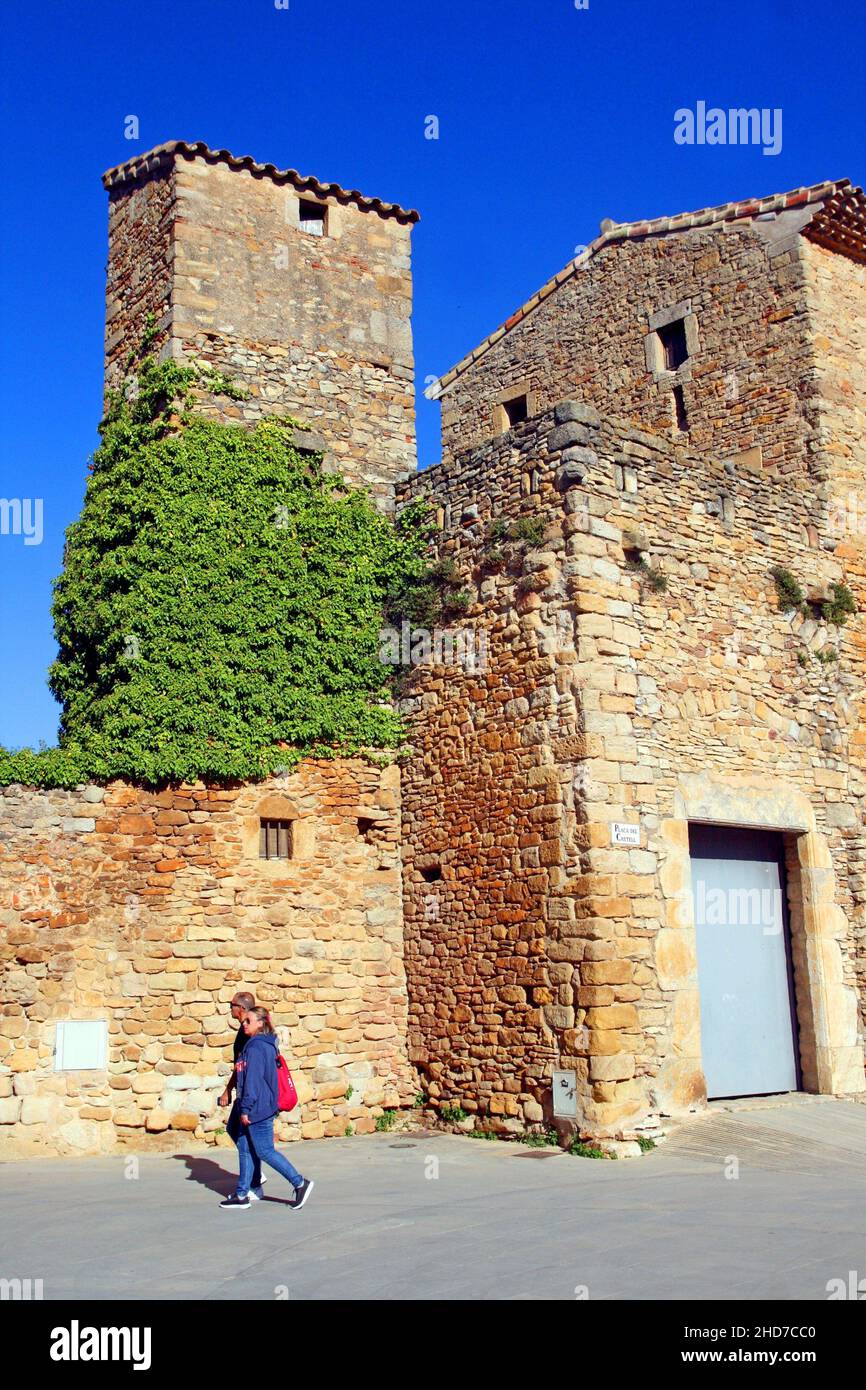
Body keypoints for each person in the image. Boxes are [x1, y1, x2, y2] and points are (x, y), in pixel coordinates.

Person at [220, 1006, 314, 1212]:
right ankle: (243, 1193)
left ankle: (299, 1183)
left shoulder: (255, 1048)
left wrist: (245, 1109)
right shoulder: (262, 1045)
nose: (243, 1024)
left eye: (248, 1021)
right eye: (244, 1021)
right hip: (259, 1105)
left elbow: (252, 1082)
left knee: (264, 1150)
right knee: (245, 1148)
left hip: (258, 1108)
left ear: (260, 1023)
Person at [219, 992, 267, 1201]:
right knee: (236, 1132)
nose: (230, 1009)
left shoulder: (248, 1033)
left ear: (241, 1007)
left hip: (248, 1092)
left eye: (232, 1005)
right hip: (243, 1090)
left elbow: (243, 1065)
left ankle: (296, 1182)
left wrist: (229, 1090)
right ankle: (254, 1179)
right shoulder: (244, 1030)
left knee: (249, 1143)